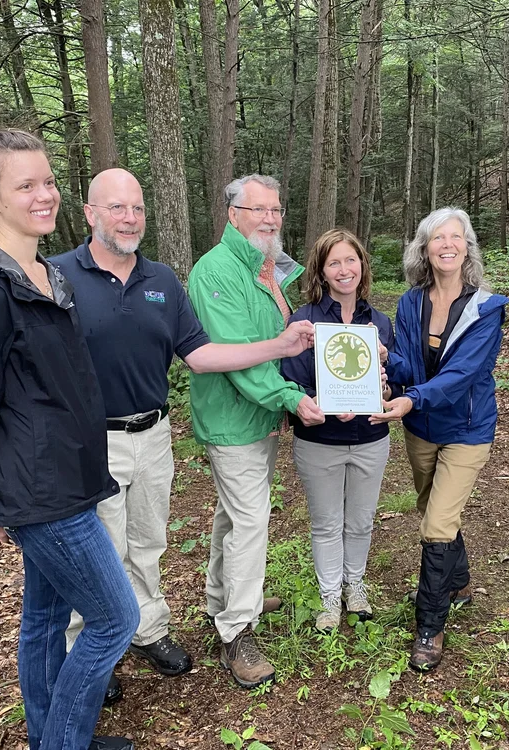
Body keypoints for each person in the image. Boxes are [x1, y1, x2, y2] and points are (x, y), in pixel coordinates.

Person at [51, 169, 316, 702]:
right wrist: (288, 391)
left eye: (137, 208)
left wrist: (296, 363)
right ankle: (92, 657)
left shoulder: (165, 281)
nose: (129, 218)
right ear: (89, 213)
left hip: (156, 432)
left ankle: (149, 628)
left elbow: (201, 353)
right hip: (91, 438)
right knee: (98, 550)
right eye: (117, 208)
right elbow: (228, 356)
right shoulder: (56, 277)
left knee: (149, 542)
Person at [0, 130, 138, 750]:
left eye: (48, 181)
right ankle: (63, 741)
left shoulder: (48, 272)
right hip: (40, 491)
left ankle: (47, 732)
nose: (44, 194)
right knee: (115, 619)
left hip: (71, 474)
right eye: (25, 185)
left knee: (46, 617)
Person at [187, 174, 326, 688]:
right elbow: (238, 358)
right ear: (232, 214)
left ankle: (222, 599)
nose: (270, 217)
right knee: (251, 520)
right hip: (232, 419)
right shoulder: (216, 272)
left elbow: (280, 340)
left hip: (259, 419)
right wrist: (291, 398)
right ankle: (237, 631)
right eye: (258, 209)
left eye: (277, 209)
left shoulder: (266, 269)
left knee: (233, 514)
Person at [370, 207, 508, 672]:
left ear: (467, 246)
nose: (447, 244)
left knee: (435, 526)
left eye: (456, 237)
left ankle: (430, 624)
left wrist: (410, 400)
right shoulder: (410, 303)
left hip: (467, 429)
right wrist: (388, 361)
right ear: (424, 249)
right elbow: (410, 365)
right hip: (422, 429)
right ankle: (460, 581)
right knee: (437, 512)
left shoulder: (487, 308)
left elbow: (462, 374)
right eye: (437, 238)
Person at [281, 228, 394, 631]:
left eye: (351, 260)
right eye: (334, 263)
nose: (344, 269)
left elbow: (391, 382)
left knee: (361, 521)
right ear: (321, 272)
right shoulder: (304, 321)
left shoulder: (378, 323)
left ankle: (355, 586)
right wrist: (327, 406)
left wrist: (383, 386)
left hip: (370, 440)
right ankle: (330, 596)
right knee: (327, 522)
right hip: (319, 443)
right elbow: (292, 382)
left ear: (362, 266)